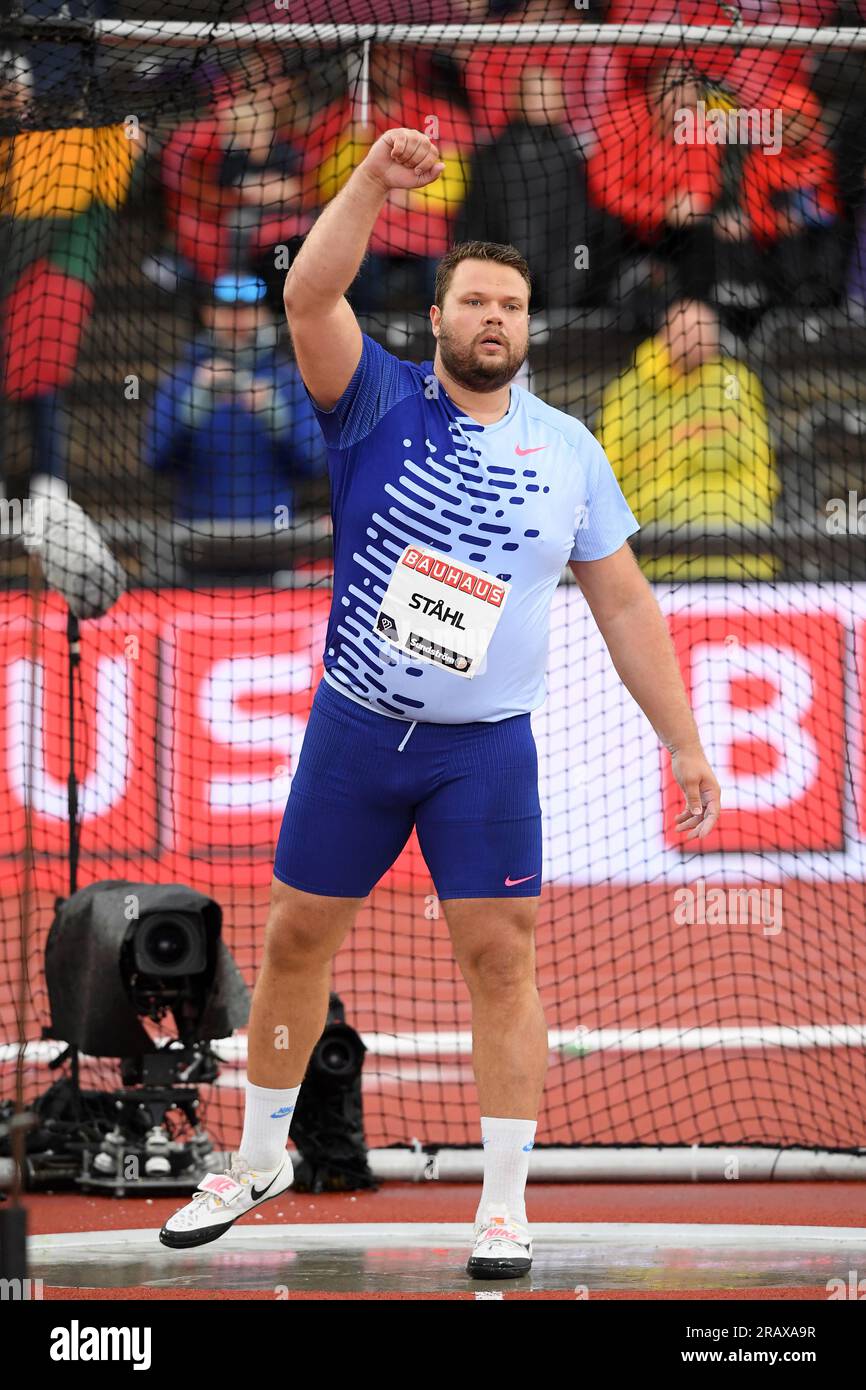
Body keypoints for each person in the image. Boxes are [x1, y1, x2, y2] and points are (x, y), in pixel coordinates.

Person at [160, 130, 721, 1278]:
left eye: (510, 305)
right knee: (294, 939)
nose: (491, 319)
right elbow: (310, 290)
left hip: (483, 755)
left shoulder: (567, 451)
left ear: (528, 326)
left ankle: (504, 1204)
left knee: (500, 962)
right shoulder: (369, 400)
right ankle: (262, 1153)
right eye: (473, 300)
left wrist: (683, 741)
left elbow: (622, 607)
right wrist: (368, 180)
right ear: (439, 317)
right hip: (356, 730)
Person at [597, 298, 779, 579]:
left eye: (705, 331)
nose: (697, 339)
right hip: (658, 540)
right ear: (664, 334)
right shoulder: (627, 391)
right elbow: (607, 474)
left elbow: (760, 462)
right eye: (688, 330)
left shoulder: (735, 383)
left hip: (741, 539)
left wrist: (755, 501)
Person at [143, 274, 325, 523]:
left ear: (264, 315)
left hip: (273, 538)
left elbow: (314, 464)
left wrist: (276, 415)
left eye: (247, 311)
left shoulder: (289, 380)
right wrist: (193, 407)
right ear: (208, 314)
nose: (237, 321)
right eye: (227, 311)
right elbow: (155, 459)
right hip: (198, 537)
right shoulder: (183, 380)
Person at [454, 67, 614, 309]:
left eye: (550, 96)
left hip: (561, 271)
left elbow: (580, 221)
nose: (542, 102)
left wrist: (577, 267)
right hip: (502, 266)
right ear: (519, 100)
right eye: (535, 95)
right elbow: (477, 218)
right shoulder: (494, 155)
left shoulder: (571, 156)